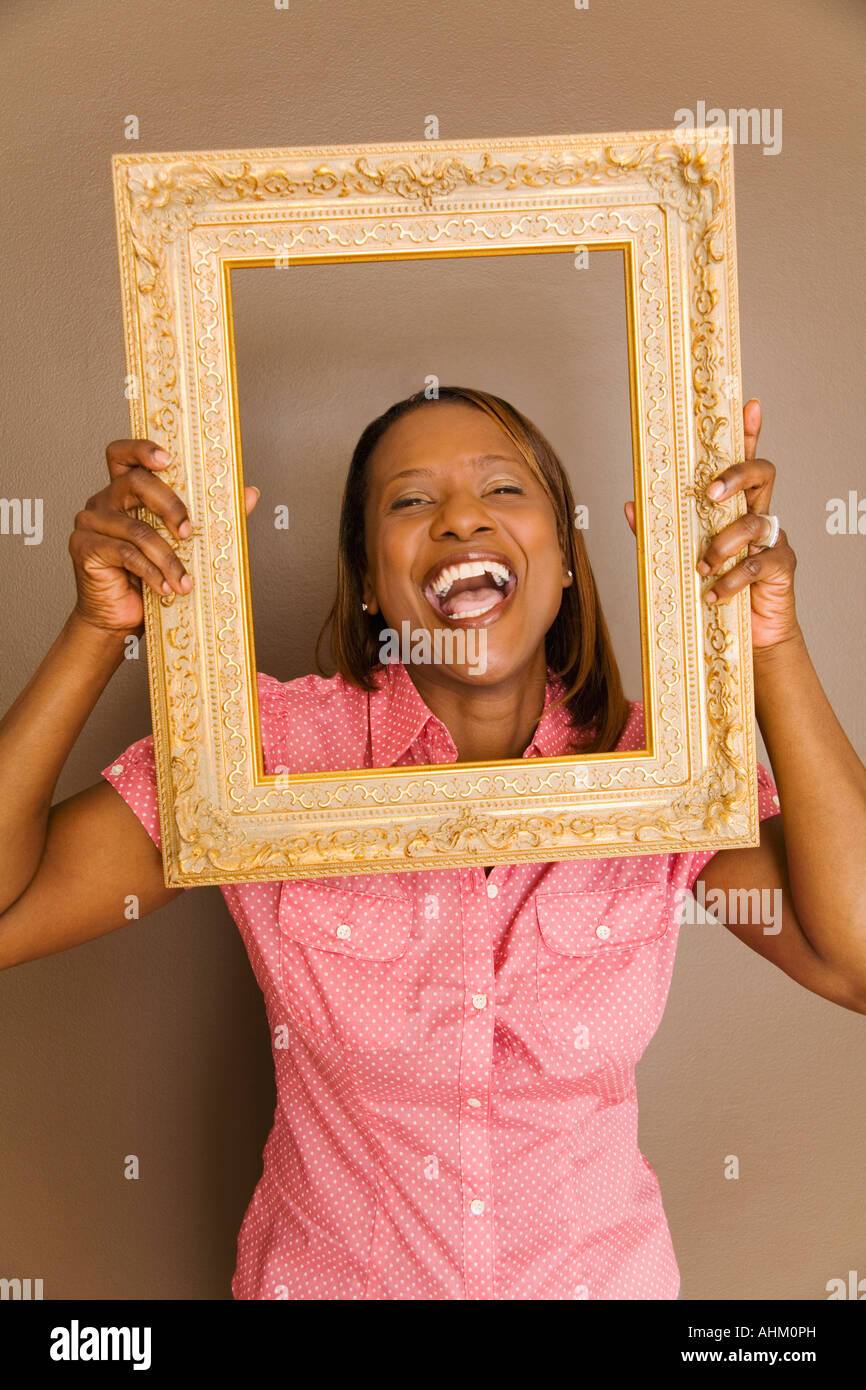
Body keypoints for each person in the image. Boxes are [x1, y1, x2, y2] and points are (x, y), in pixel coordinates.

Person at [1, 386, 864, 1301]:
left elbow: (857, 962)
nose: (460, 519)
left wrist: (770, 640)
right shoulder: (263, 756)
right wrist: (100, 627)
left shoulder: (658, 767)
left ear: (564, 562)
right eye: (411, 500)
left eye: (504, 490)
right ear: (370, 581)